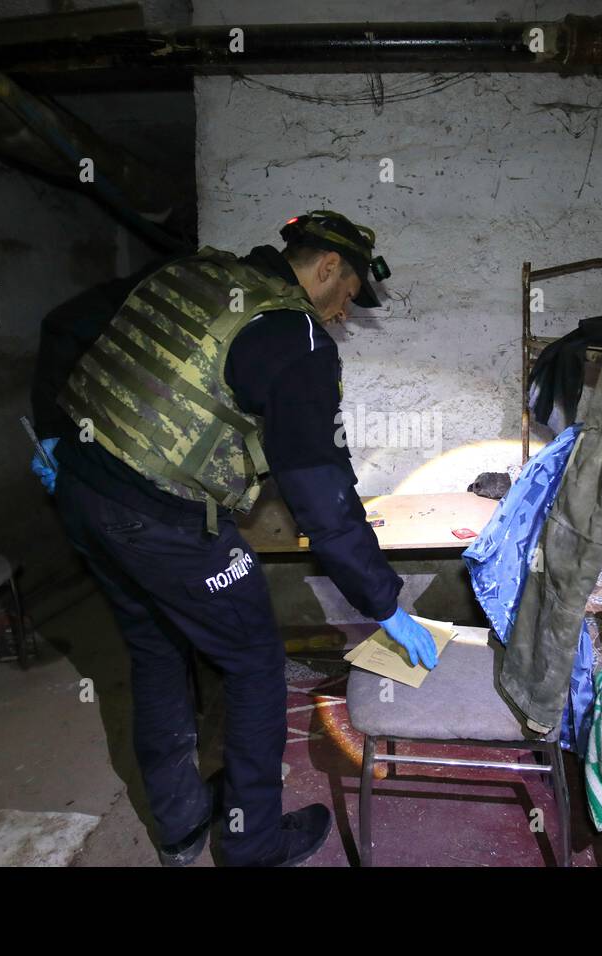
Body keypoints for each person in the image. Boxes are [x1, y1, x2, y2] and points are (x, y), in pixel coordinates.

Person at [30, 210, 437, 867]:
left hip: (81, 493)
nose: (342, 314)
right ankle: (251, 841)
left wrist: (53, 428)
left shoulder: (192, 272)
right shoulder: (294, 335)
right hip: (163, 521)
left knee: (156, 649)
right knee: (253, 667)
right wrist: (384, 600)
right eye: (349, 296)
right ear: (327, 267)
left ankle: (180, 828)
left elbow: (66, 321)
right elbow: (322, 498)